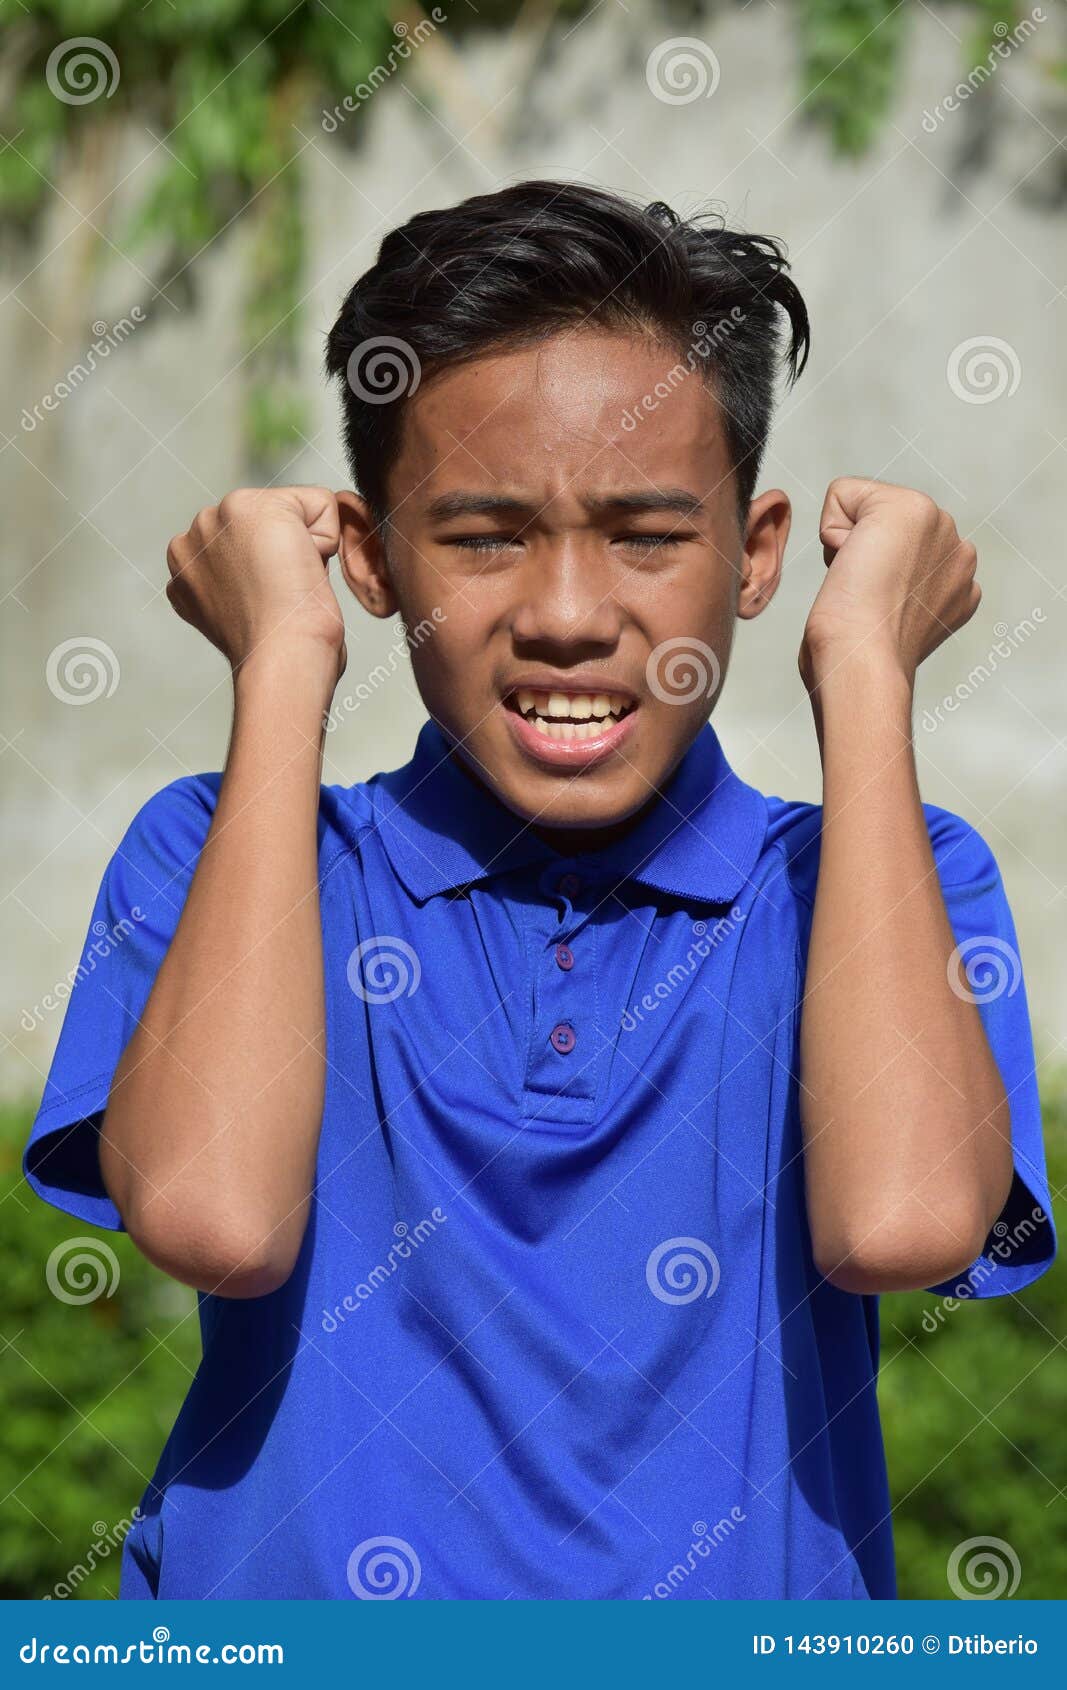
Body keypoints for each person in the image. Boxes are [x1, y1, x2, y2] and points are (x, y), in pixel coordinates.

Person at [24, 181, 1054, 1600]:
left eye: (646, 533)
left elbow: (901, 1226)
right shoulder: (229, 852)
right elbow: (216, 1218)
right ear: (373, 560)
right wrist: (281, 673)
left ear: (756, 559)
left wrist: (867, 674)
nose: (568, 615)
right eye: (484, 535)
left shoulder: (879, 879)